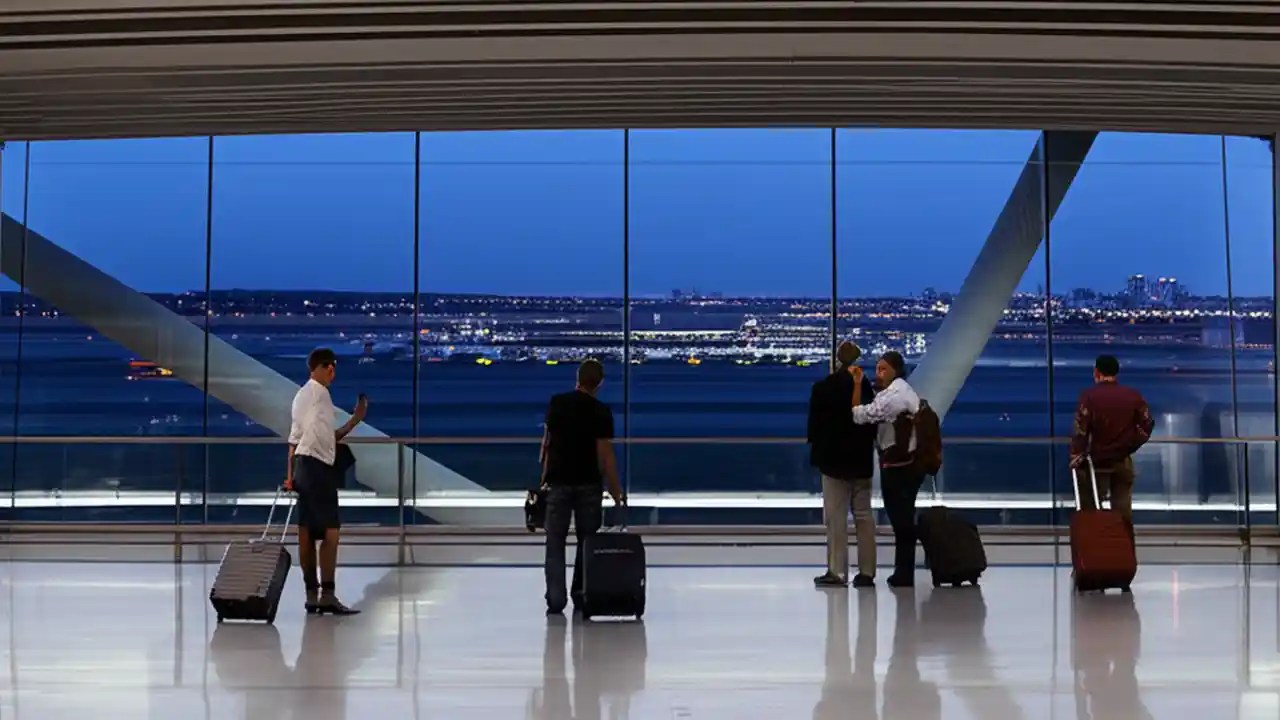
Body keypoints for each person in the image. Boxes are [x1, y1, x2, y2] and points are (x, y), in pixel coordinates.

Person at [286, 347, 367, 616]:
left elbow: (294, 440)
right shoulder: (320, 395)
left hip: (302, 466)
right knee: (331, 532)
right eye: (331, 367)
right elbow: (325, 439)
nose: (333, 373)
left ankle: (312, 595)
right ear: (324, 367)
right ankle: (327, 595)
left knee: (307, 531)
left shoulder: (300, 395)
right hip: (317, 466)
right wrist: (355, 420)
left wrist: (290, 476)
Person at [541, 359, 624, 616]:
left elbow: (546, 445)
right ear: (599, 383)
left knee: (555, 541)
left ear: (577, 377)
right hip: (589, 484)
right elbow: (605, 455)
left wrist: (542, 479)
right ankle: (581, 594)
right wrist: (615, 491)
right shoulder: (601, 411)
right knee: (586, 543)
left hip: (558, 483)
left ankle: (555, 599)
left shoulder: (557, 403)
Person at [808, 340, 878, 588]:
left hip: (833, 463)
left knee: (836, 519)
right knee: (864, 516)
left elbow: (814, 429)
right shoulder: (866, 387)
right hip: (861, 461)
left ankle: (837, 571)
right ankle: (867, 572)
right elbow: (872, 422)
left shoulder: (823, 388)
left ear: (836, 358)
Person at [850, 351, 921, 588]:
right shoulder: (903, 391)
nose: (878, 374)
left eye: (883, 369)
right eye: (878, 369)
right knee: (903, 518)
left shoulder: (894, 397)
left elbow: (860, 416)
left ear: (895, 370)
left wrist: (857, 387)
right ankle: (903, 570)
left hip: (900, 466)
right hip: (908, 464)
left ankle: (904, 572)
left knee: (901, 520)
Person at [1069, 355, 1154, 551]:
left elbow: (1080, 430)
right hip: (1123, 460)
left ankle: (1095, 553)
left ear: (1097, 372)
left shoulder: (1089, 396)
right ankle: (1125, 553)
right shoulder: (1133, 396)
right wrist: (1131, 445)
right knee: (1123, 511)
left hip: (1096, 462)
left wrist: (1076, 455)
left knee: (1091, 510)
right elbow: (1147, 423)